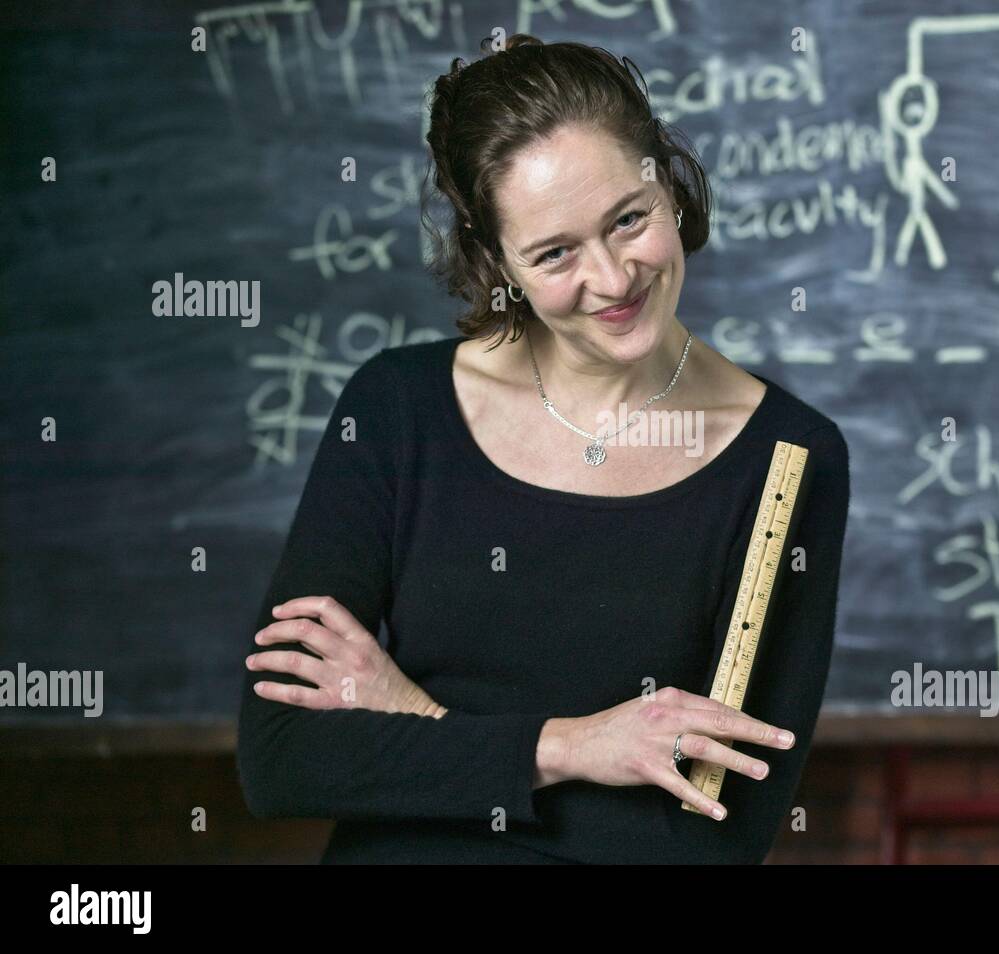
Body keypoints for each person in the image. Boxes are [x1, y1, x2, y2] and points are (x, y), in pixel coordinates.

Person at [236, 33, 851, 864]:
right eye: (555, 253)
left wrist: (413, 720)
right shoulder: (394, 411)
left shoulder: (787, 459)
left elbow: (710, 845)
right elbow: (281, 761)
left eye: (628, 220)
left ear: (668, 188)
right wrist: (571, 747)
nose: (612, 277)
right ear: (497, 261)